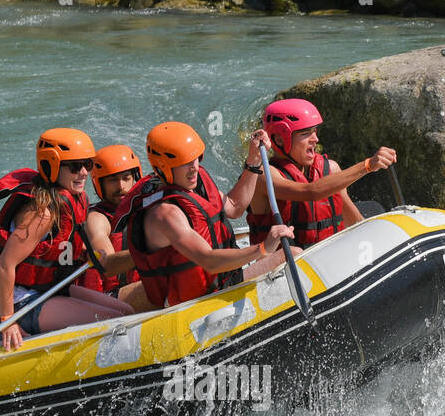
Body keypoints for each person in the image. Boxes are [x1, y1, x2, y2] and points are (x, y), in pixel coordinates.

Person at [114, 121, 295, 310]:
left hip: (220, 282)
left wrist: (254, 160)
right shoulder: (165, 213)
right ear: (163, 166)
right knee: (294, 254)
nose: (194, 167)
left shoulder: (194, 183)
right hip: (196, 302)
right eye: (185, 163)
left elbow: (234, 207)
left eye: (196, 158)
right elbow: (209, 261)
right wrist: (263, 248)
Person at [0, 128, 133, 352]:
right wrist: (8, 322)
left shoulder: (74, 200)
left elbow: (62, 246)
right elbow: (5, 265)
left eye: (88, 164)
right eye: (75, 166)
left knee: (126, 313)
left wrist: (87, 253)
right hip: (23, 302)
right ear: (52, 166)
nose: (84, 172)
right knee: (113, 321)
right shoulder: (42, 213)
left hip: (50, 289)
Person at [245, 98, 397, 247]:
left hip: (326, 257)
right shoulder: (263, 175)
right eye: (305, 133)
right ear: (279, 139)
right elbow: (310, 192)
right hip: (284, 266)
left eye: (315, 132)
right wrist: (368, 165)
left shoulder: (329, 169)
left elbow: (354, 221)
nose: (315, 139)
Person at [83, 144, 143, 305]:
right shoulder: (96, 218)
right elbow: (107, 264)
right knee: (158, 285)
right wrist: (153, 254)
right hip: (105, 299)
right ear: (99, 184)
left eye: (126, 178)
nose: (121, 186)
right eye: (112, 180)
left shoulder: (147, 208)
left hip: (135, 288)